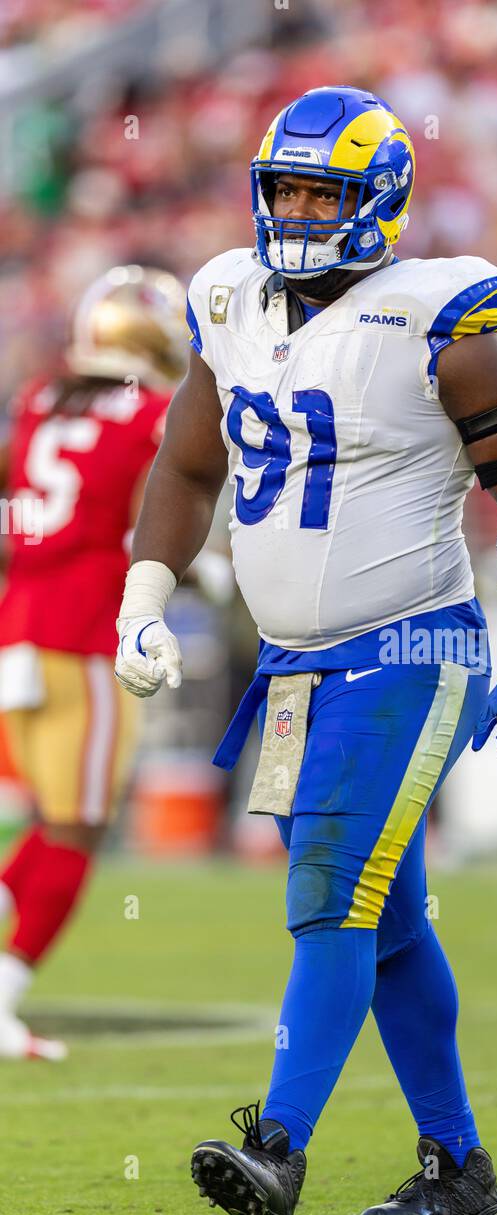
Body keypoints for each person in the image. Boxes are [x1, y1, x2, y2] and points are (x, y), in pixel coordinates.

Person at [114, 85, 497, 1215]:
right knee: (387, 919)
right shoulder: (226, 296)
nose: (298, 210)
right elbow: (184, 466)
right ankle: (456, 1165)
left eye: (322, 189)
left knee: (328, 890)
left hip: (411, 646)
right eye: (284, 188)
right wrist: (146, 593)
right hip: (288, 667)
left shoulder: (444, 317)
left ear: (378, 197)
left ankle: (273, 1149)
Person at [0, 265, 188, 1059]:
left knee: (51, 815)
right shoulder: (151, 413)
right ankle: (7, 993)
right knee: (77, 826)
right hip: (84, 630)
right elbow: (160, 510)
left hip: (17, 623)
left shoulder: (41, 396)